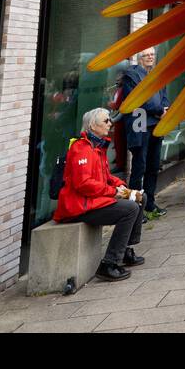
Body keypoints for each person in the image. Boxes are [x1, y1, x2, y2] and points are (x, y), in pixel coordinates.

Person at [53, 107, 147, 281]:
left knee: (140, 198)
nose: (110, 124)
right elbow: (84, 184)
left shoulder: (97, 147)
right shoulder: (82, 149)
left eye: (109, 120)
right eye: (106, 121)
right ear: (92, 125)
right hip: (80, 206)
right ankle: (109, 263)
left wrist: (121, 186)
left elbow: (105, 176)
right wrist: (113, 193)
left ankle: (125, 250)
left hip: (92, 200)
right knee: (130, 209)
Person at [118, 49, 169, 219]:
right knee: (140, 167)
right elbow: (138, 99)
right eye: (146, 55)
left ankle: (149, 203)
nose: (150, 57)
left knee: (153, 167)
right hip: (140, 127)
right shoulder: (131, 77)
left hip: (156, 126)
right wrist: (160, 110)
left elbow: (163, 96)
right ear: (139, 58)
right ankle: (135, 208)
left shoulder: (157, 75)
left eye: (152, 55)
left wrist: (165, 109)